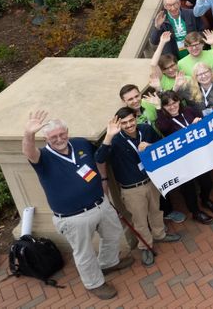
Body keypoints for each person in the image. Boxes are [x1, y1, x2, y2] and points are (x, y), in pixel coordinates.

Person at [23, 110, 132, 299]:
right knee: (84, 252)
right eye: (53, 136)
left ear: (68, 132)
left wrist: (108, 137)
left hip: (101, 204)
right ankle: (94, 283)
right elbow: (29, 152)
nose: (59, 139)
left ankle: (108, 264)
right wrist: (28, 133)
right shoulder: (42, 157)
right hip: (73, 217)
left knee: (113, 234)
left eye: (62, 134)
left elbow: (99, 158)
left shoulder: (80, 143)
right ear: (46, 139)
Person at [96, 108, 182, 266]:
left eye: (131, 120)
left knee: (156, 210)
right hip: (132, 188)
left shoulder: (146, 130)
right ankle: (145, 246)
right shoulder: (115, 141)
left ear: (136, 118)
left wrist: (150, 145)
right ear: (119, 125)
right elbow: (99, 158)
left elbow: (161, 144)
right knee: (140, 219)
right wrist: (108, 136)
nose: (129, 125)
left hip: (151, 180)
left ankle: (160, 234)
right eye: (124, 123)